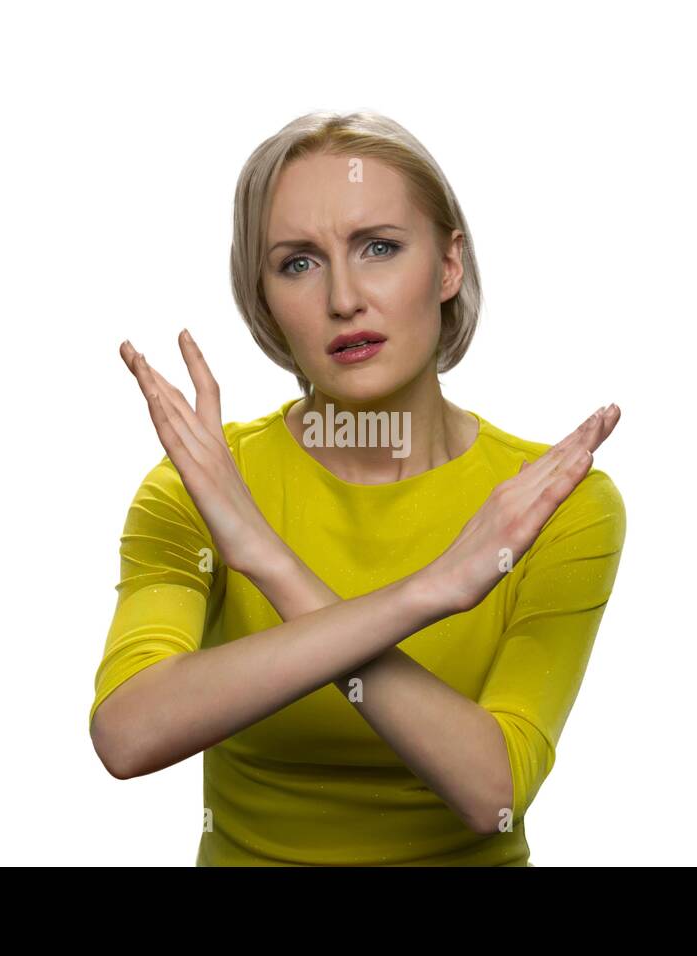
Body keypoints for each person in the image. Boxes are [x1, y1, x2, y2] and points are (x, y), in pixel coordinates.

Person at [88, 110, 627, 866]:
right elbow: (127, 734)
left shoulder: (550, 502)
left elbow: (491, 792)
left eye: (379, 248)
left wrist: (270, 562)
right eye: (298, 262)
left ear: (448, 265)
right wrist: (429, 591)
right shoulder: (201, 489)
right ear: (263, 297)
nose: (344, 298)